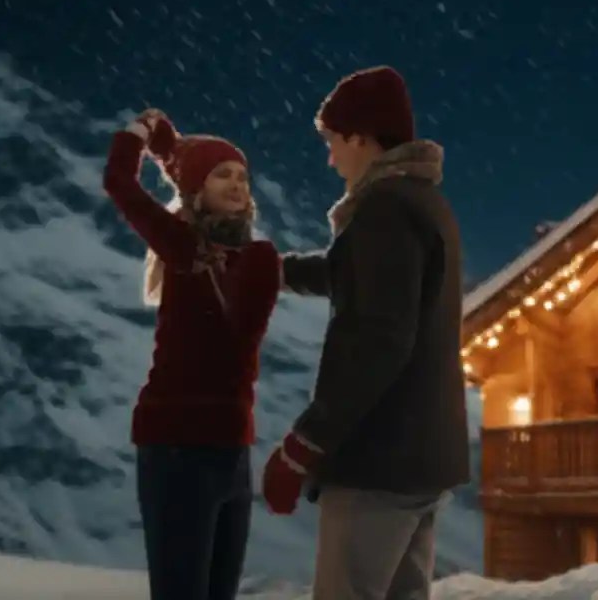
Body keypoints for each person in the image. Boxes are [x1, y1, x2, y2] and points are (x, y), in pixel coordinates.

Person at [260, 66, 470, 599]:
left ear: (361, 137)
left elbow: (379, 339)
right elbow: (353, 276)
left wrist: (303, 444)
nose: (330, 158)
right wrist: (273, 271)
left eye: (333, 141)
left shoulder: (386, 210)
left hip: (379, 460)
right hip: (422, 457)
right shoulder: (424, 204)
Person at [102, 108, 281, 600]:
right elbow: (119, 181)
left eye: (243, 176)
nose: (237, 183)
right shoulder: (181, 245)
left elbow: (241, 330)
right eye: (222, 174)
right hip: (175, 449)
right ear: (196, 191)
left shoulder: (257, 259)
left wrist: (170, 148)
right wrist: (139, 135)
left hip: (232, 452)